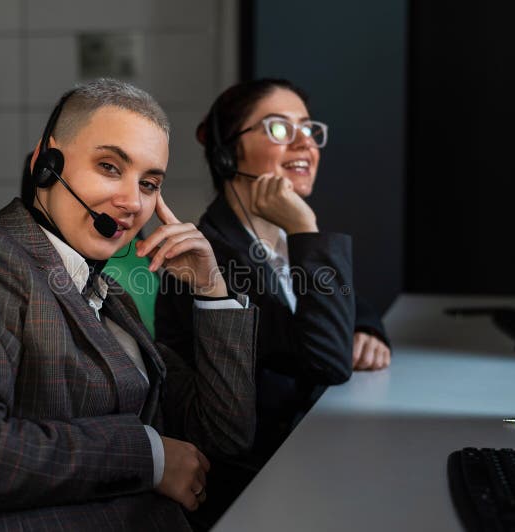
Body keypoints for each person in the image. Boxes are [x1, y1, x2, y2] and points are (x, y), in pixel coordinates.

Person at [0, 78, 258, 531]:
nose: (131, 203)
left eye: (149, 183)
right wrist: (149, 456)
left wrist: (212, 290)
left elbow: (224, 436)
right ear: (45, 163)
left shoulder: (105, 292)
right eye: (110, 167)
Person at [155, 78, 391, 527]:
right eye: (280, 129)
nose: (305, 142)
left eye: (309, 128)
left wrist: (368, 328)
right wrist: (307, 227)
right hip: (252, 487)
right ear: (229, 154)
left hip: (307, 455)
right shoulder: (209, 259)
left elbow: (350, 300)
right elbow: (326, 360)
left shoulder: (279, 239)